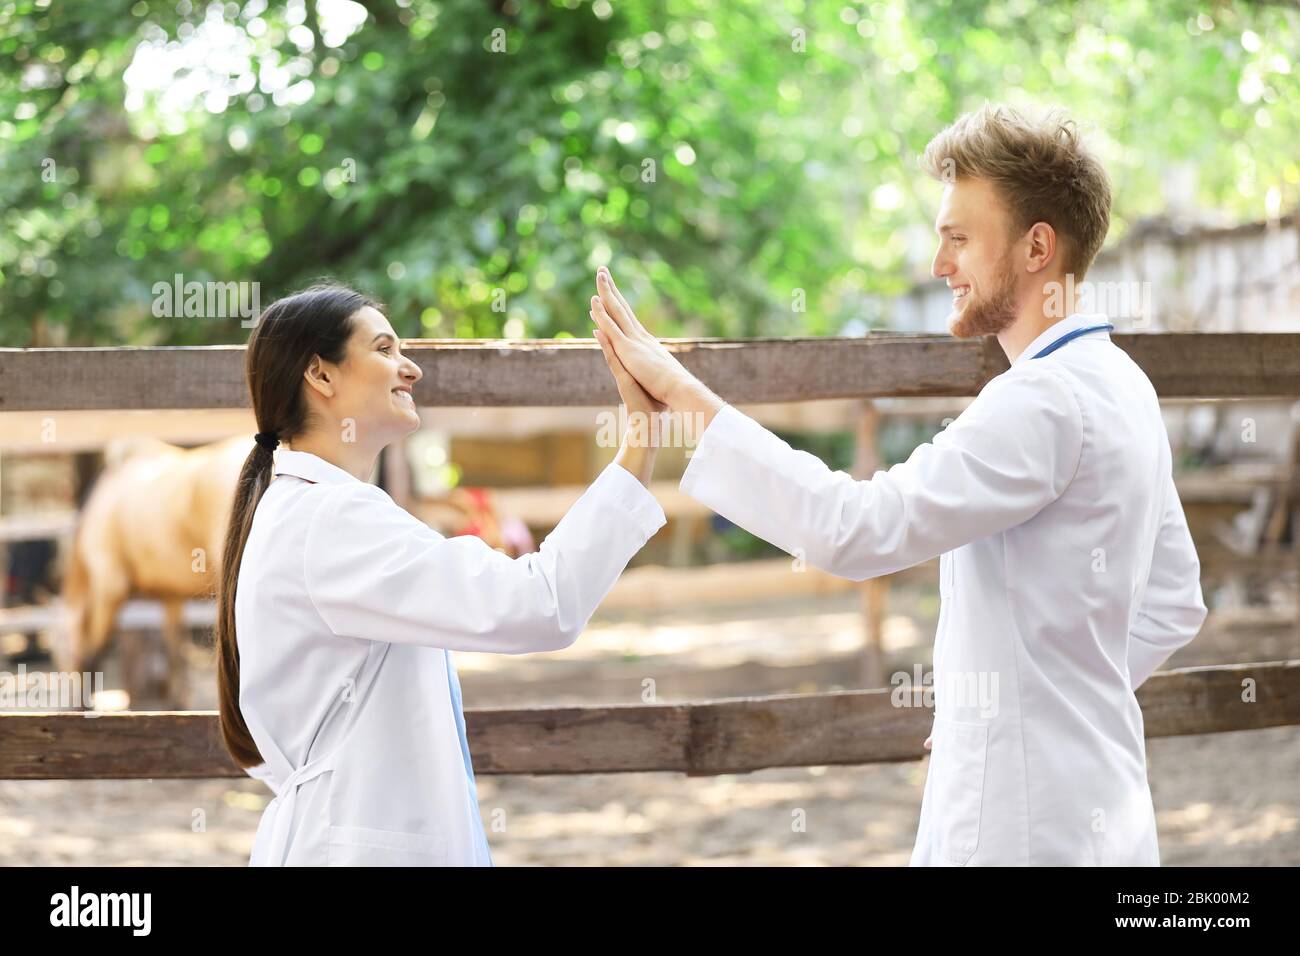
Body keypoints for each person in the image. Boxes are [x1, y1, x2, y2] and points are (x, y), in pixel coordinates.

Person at [589, 104, 1208, 866]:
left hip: (1019, 830)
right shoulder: (1125, 384)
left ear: (1037, 246)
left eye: (958, 239)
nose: (939, 264)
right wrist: (1049, 701)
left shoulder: (1040, 399)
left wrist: (687, 395)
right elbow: (1178, 597)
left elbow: (859, 529)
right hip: (1104, 808)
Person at [215, 284, 666, 865]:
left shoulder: (314, 509)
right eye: (383, 349)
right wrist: (641, 440)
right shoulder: (332, 519)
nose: (411, 368)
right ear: (320, 376)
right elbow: (539, 602)